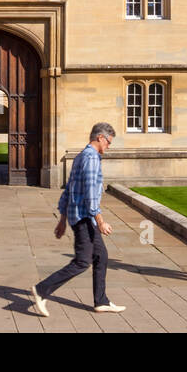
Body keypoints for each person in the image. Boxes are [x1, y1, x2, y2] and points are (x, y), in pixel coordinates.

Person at [30, 123, 126, 316]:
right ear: (100, 138)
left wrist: (62, 218)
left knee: (101, 256)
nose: (108, 146)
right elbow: (91, 195)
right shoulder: (91, 159)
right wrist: (100, 221)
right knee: (82, 262)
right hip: (85, 218)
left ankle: (101, 301)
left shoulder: (81, 156)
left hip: (79, 217)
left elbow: (69, 190)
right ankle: (42, 290)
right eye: (108, 142)